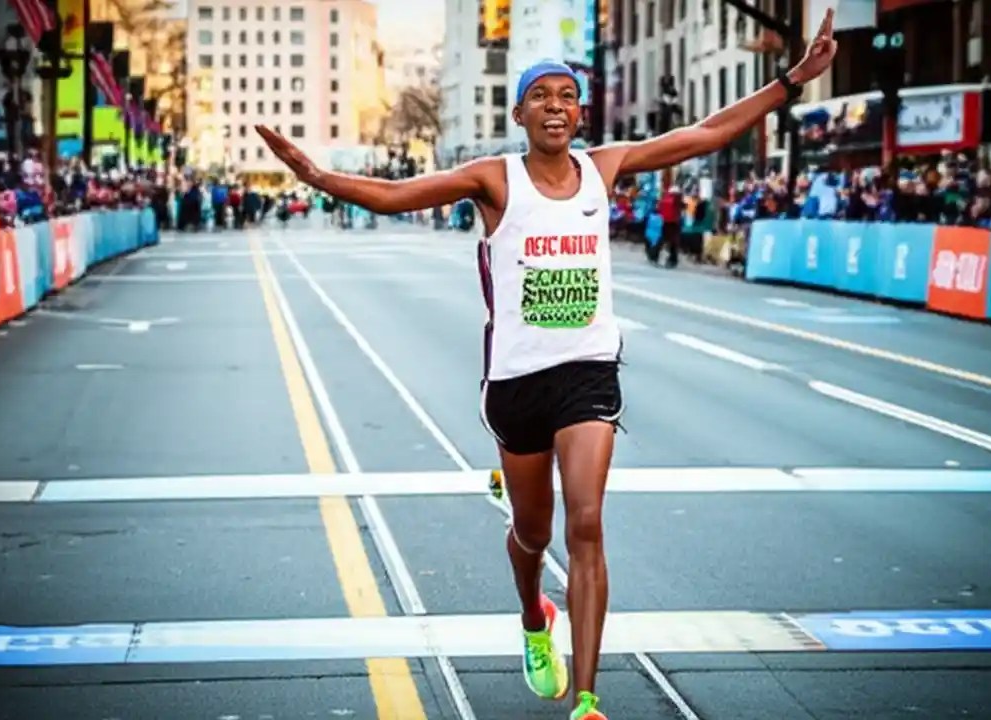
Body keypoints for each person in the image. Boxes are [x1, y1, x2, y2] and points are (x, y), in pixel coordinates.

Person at [258, 12, 838, 718]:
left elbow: (705, 134)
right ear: (521, 112)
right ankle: (534, 615)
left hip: (588, 374)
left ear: (579, 111)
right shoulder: (493, 180)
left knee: (586, 523)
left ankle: (587, 697)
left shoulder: (606, 165)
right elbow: (392, 195)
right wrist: (315, 174)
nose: (556, 106)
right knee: (532, 532)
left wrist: (791, 81)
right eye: (542, 96)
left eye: (567, 95)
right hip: (515, 384)